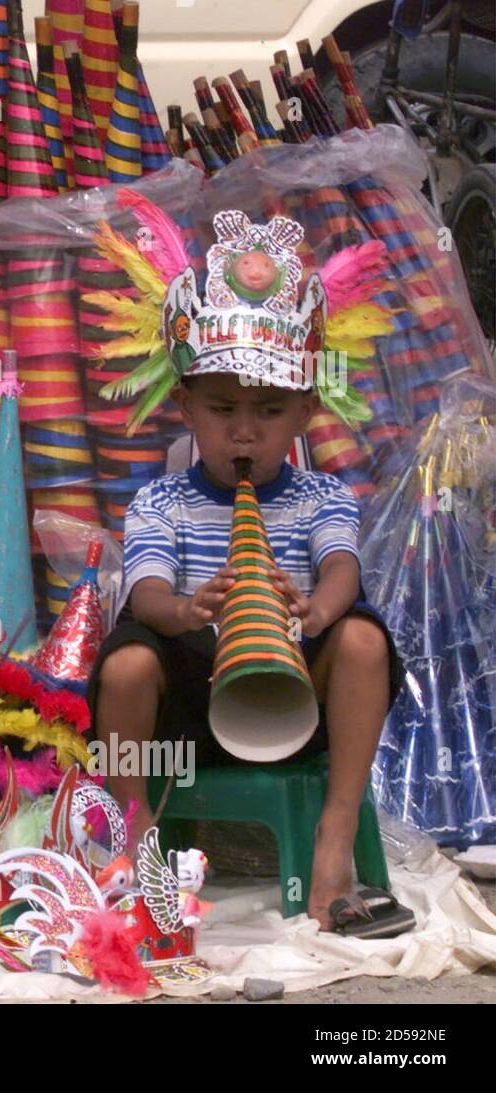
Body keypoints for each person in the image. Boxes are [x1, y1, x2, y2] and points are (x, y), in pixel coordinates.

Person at [85, 208, 402, 932]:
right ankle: (135, 842)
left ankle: (332, 838)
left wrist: (317, 612)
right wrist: (188, 611)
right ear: (187, 406)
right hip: (192, 697)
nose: (245, 430)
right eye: (223, 409)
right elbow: (148, 591)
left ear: (305, 412)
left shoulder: (322, 493)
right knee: (128, 661)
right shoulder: (160, 499)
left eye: (269, 410)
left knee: (362, 639)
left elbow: (342, 568)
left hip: (298, 682)